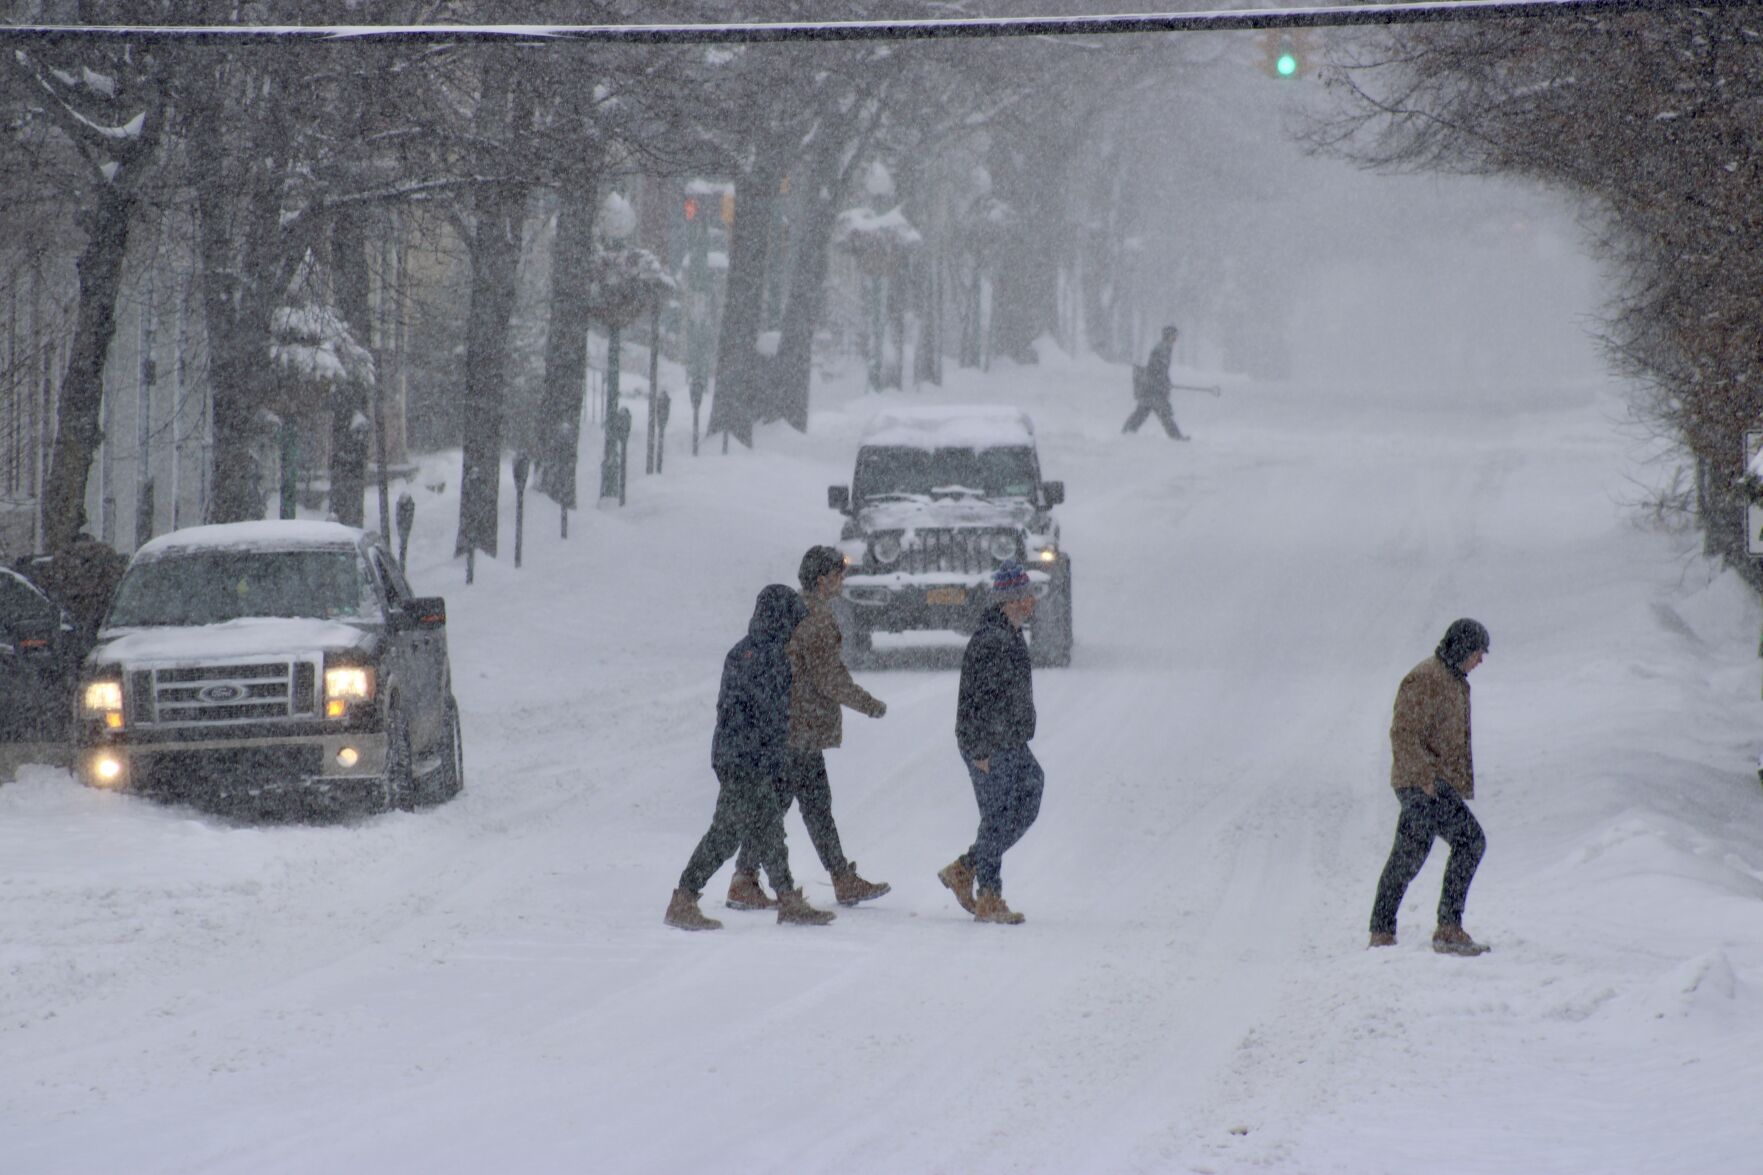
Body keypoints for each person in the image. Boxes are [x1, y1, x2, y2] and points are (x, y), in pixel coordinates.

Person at [665, 585, 836, 931]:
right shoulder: (770, 656)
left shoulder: (744, 651)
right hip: (748, 761)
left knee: (768, 829)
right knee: (726, 835)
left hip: (736, 755)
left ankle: (788, 899)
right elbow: (770, 716)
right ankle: (683, 899)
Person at [758, 544, 891, 908]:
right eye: (838, 575)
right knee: (797, 806)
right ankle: (746, 877)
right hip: (801, 726)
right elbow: (829, 677)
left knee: (806, 806)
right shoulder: (816, 618)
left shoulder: (794, 610)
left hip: (792, 724)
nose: (842, 580)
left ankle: (839, 877)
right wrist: (869, 704)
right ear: (822, 580)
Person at [1368, 618, 1492, 956]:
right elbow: (1403, 732)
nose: (1480, 661)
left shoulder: (1451, 679)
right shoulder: (1427, 678)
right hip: (1423, 783)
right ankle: (1448, 928)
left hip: (1425, 783)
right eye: (1478, 653)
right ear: (1463, 648)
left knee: (1409, 854)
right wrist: (1426, 780)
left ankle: (1381, 931)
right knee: (1470, 841)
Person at [938, 561, 1044, 925]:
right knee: (996, 816)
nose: (1032, 602)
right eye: (1026, 596)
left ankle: (965, 868)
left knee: (1030, 792)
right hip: (988, 744)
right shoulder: (992, 641)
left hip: (1009, 739)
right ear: (1010, 601)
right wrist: (979, 750)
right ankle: (989, 896)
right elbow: (973, 702)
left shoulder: (1010, 634)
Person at [1122, 324, 1189, 441]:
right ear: (1169, 336)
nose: (1176, 338)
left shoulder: (1164, 347)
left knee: (1142, 413)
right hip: (1154, 390)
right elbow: (1156, 370)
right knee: (1164, 415)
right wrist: (1163, 383)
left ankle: (1126, 432)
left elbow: (1160, 371)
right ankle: (1176, 438)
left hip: (1151, 389)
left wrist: (1166, 382)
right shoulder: (1162, 349)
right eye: (1175, 335)